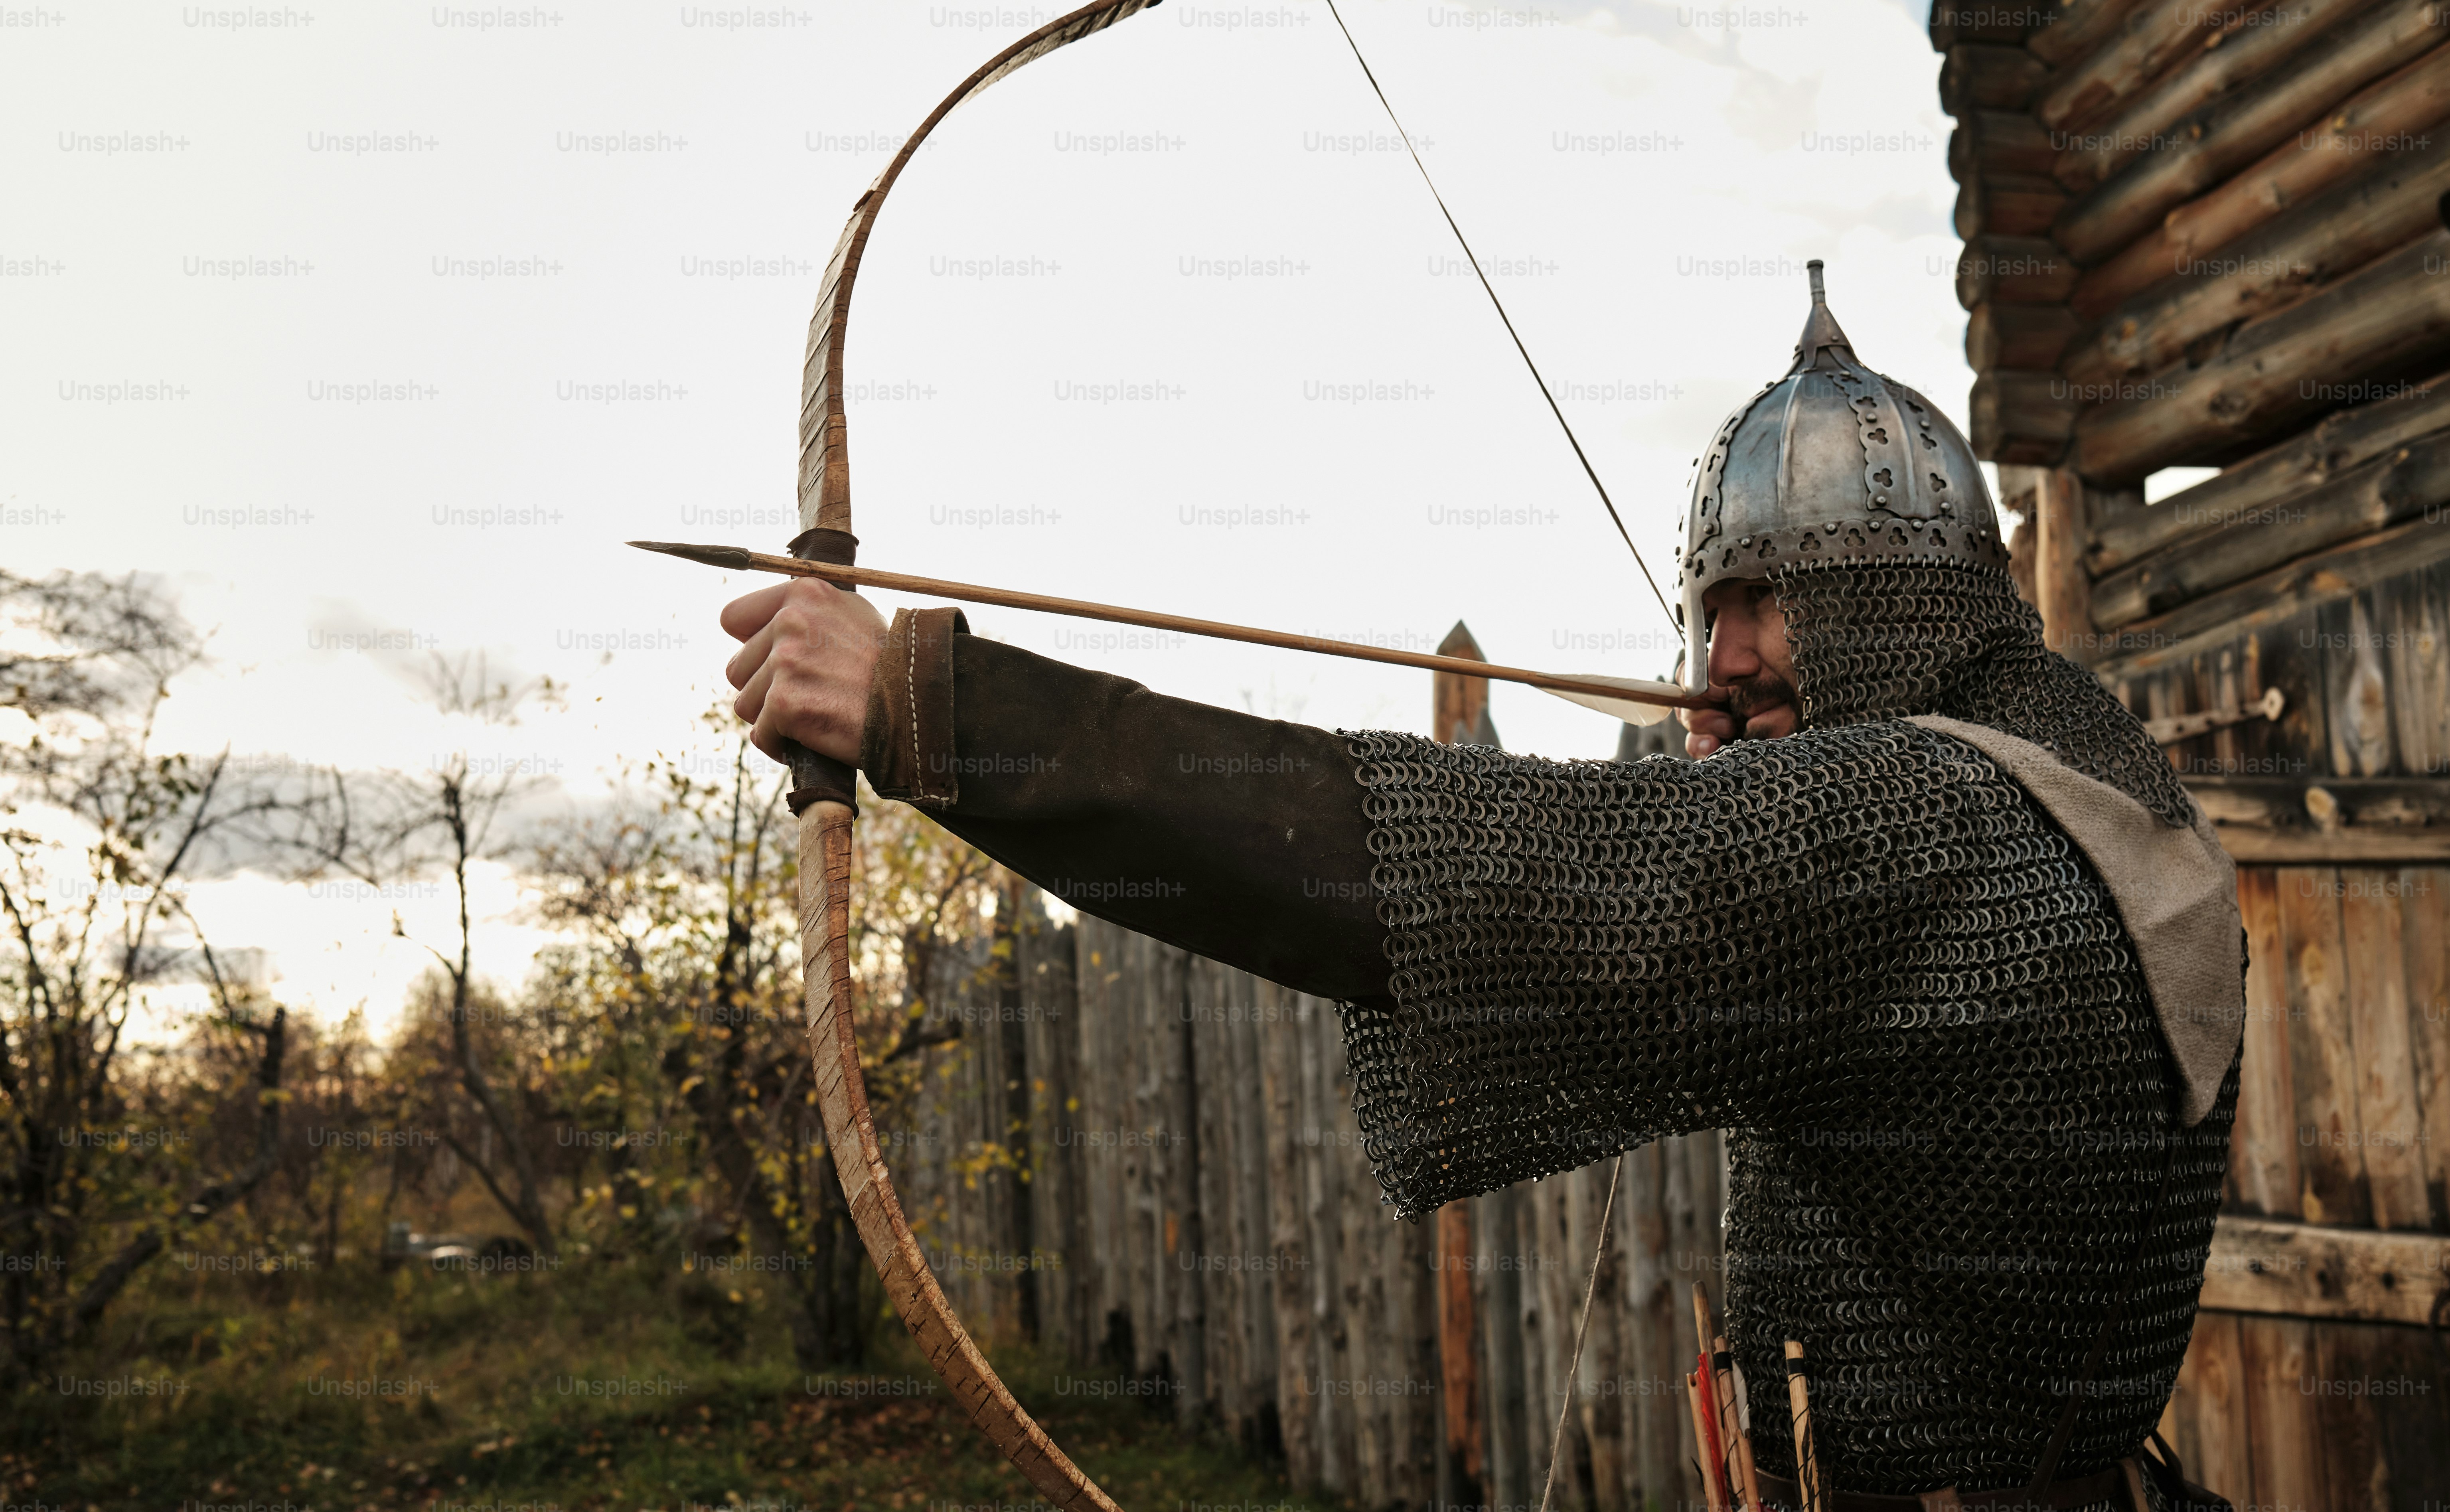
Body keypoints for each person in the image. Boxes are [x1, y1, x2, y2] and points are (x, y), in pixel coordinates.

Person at [720, 266, 2243, 1510]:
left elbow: (1422, 866)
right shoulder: (2087, 767)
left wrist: (928, 708)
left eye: (1770, 601)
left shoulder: (1924, 822)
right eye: (1712, 606)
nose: (1720, 657)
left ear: (1898, 597)